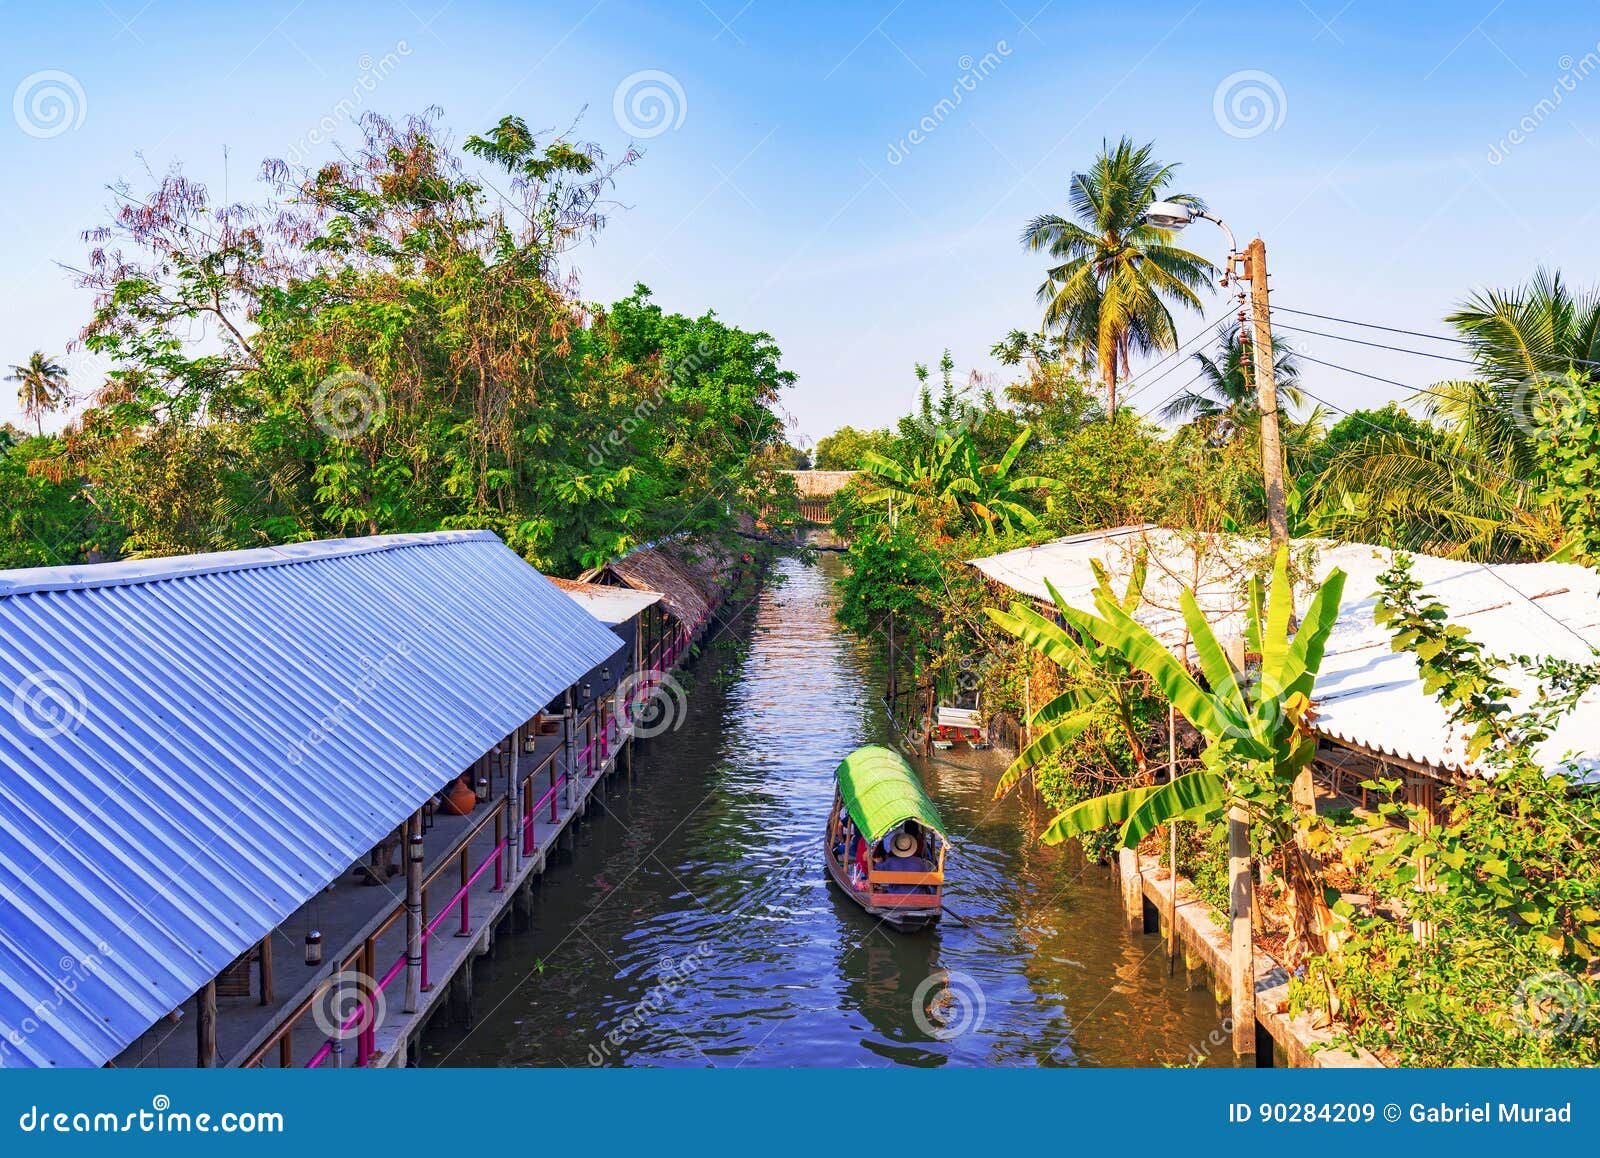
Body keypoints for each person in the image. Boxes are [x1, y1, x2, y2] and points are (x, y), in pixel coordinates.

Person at [879, 829, 932, 894]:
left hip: (895, 895)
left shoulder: (890, 861)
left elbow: (878, 869)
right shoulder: (919, 861)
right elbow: (926, 881)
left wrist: (877, 861)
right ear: (910, 847)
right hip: (917, 895)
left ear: (895, 847)